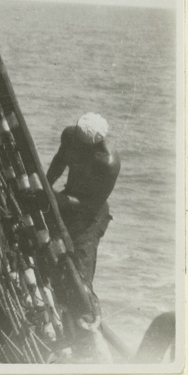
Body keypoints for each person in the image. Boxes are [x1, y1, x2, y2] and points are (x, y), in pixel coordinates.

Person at [46, 112, 121, 288]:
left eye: (82, 144)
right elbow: (59, 161)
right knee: (48, 249)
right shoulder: (70, 136)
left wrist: (62, 199)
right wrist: (47, 186)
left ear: (96, 144)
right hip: (66, 197)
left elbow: (92, 204)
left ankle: (86, 312)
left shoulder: (108, 163)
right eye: (76, 139)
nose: (76, 144)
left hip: (91, 215)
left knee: (80, 271)